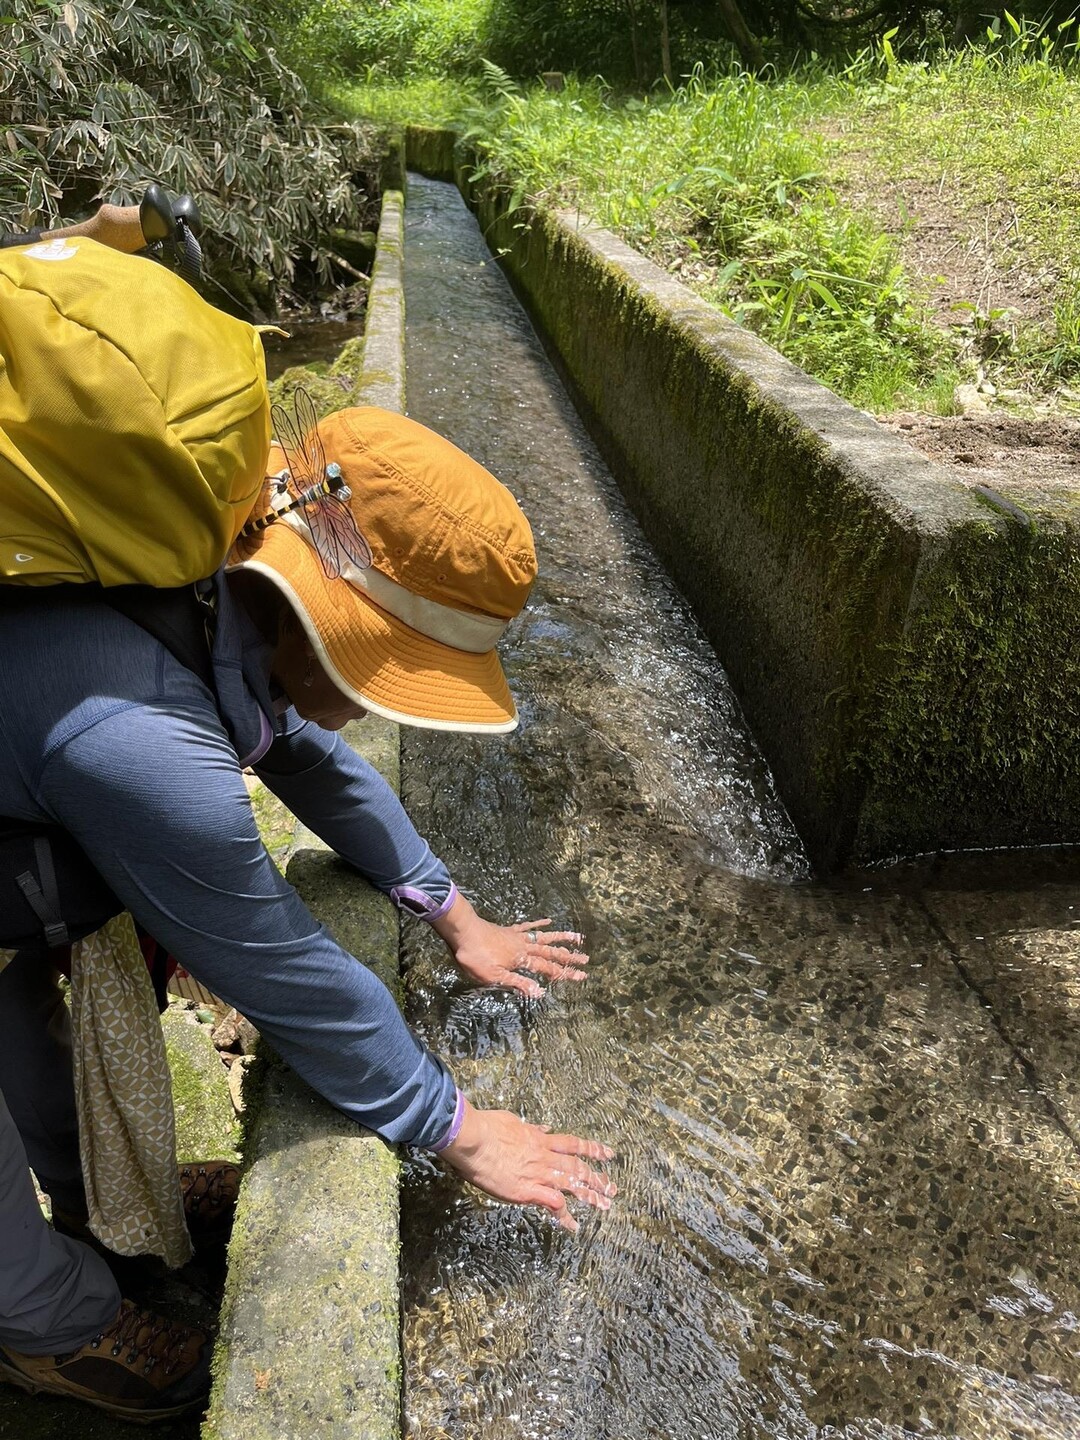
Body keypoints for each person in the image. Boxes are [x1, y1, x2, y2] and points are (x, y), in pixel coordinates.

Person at [0, 405, 616, 1423]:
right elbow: (278, 965)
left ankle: (109, 1207)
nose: (378, 708)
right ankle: (51, 1328)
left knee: (21, 1019)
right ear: (319, 620)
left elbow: (313, 763)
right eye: (391, 671)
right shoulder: (139, 732)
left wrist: (453, 915)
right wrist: (452, 1124)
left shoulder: (198, 589)